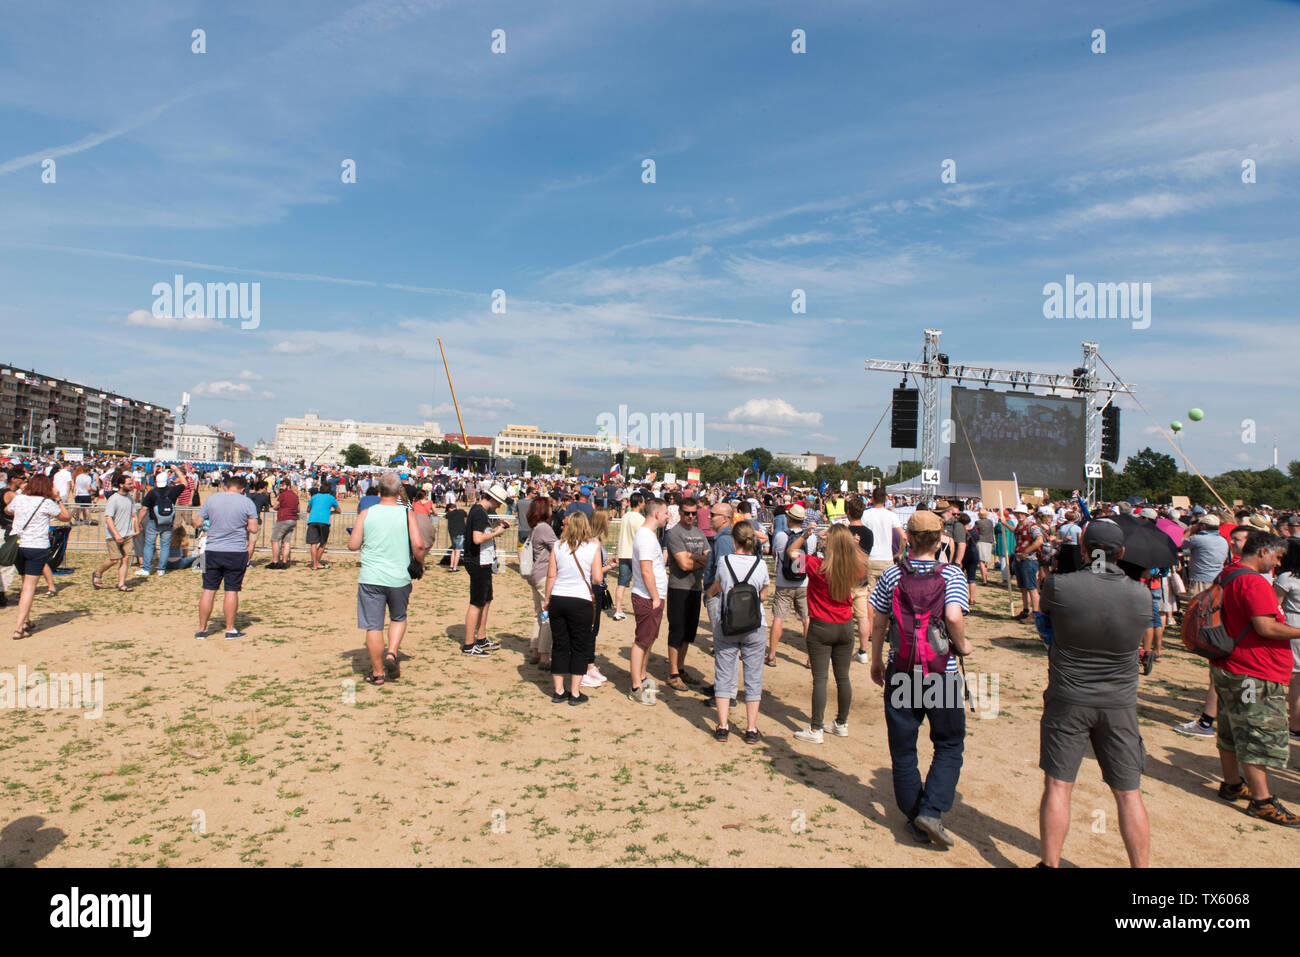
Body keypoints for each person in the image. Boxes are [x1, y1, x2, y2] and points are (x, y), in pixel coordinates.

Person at [1036, 518, 1152, 867]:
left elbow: (1045, 619)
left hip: (1069, 698)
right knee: (1129, 794)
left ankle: (1050, 863)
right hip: (1119, 701)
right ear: (1123, 553)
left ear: (1084, 549)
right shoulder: (1142, 593)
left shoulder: (1059, 586)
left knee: (1058, 786)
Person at [868, 510, 971, 847]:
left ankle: (916, 816)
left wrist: (875, 661)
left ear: (908, 538)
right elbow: (954, 615)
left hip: (901, 667)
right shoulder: (952, 575)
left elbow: (879, 622)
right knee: (948, 743)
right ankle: (931, 809)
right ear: (941, 538)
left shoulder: (892, 575)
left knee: (903, 748)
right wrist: (963, 644)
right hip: (941, 672)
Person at [1212, 530, 1300, 825]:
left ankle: (1232, 784)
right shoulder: (1253, 582)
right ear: (1263, 552)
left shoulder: (1229, 573)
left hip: (1230, 665)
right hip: (1253, 671)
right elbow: (1266, 628)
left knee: (1229, 731)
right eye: (1276, 557)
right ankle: (1261, 801)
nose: (1277, 564)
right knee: (1254, 735)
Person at [347, 472, 427, 686]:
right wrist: (420, 562)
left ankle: (377, 672)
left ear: (379, 490)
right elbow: (419, 545)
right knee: (398, 617)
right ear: (398, 491)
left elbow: (353, 545)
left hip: (371, 576)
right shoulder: (406, 513)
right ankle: (391, 652)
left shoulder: (366, 512)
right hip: (399, 577)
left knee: (373, 626)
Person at [791, 524, 866, 744]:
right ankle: (841, 723)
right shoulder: (855, 567)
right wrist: (852, 547)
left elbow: (791, 554)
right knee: (843, 677)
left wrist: (806, 536)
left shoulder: (817, 565)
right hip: (844, 625)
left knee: (821, 679)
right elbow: (862, 563)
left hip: (821, 625)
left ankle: (816, 729)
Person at [705, 521, 770, 742]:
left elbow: (719, 585)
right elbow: (763, 595)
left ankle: (723, 725)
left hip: (728, 623)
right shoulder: (760, 565)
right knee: (753, 676)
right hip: (754, 623)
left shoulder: (724, 562)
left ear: (734, 540)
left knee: (723, 672)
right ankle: (751, 728)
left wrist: (710, 594)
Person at [542, 511, 603, 705]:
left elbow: (551, 575)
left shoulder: (558, 546)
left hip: (559, 597)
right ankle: (575, 692)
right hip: (580, 599)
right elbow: (597, 578)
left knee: (560, 644)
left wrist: (547, 598)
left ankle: (559, 690)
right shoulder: (593, 547)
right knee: (579, 645)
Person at [6, 472, 70, 639]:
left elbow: (7, 510)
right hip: (37, 546)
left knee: (24, 584)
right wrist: (58, 499)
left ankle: (26, 620)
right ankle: (19, 628)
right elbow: (65, 517)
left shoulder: (19, 499)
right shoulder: (46, 503)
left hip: (18, 545)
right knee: (29, 588)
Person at [196, 475, 259, 640]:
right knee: (231, 590)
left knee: (208, 590)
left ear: (226, 486)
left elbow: (197, 522)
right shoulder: (247, 503)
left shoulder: (212, 499)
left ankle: (202, 629)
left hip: (212, 549)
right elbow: (253, 529)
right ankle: (230, 629)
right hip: (236, 551)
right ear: (242, 489)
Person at [662, 496, 709, 690]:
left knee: (689, 633)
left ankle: (681, 669)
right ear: (680, 513)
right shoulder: (674, 534)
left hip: (695, 588)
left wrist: (692, 558)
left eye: (693, 513)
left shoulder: (699, 533)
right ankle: (673, 673)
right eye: (687, 513)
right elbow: (682, 564)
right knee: (677, 631)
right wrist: (697, 560)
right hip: (678, 588)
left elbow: (709, 558)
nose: (690, 516)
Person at [461, 484, 510, 656]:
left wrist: (494, 524)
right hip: (478, 561)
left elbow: (481, 530)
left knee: (486, 599)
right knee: (476, 603)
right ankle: (468, 644)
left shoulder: (479, 511)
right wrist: (496, 533)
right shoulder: (480, 512)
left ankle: (481, 637)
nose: (499, 506)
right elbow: (477, 538)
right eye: (499, 503)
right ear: (494, 499)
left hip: (484, 561)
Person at [628, 498, 669, 704]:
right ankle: (636, 685)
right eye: (666, 512)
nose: (668, 516)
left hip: (653, 595)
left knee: (649, 639)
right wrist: (654, 597)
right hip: (647, 596)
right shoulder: (645, 536)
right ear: (656, 514)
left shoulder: (649, 535)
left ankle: (642, 676)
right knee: (642, 641)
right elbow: (646, 570)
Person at [769, 504, 817, 667]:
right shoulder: (812, 538)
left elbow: (775, 554)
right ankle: (811, 657)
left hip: (784, 582)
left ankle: (772, 655)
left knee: (778, 618)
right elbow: (810, 556)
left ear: (789, 518)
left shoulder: (781, 536)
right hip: (804, 582)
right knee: (806, 620)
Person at [1273, 539, 1300, 741]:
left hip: (1292, 628)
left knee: (1295, 679)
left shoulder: (1287, 578)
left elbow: (1275, 605)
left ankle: (1295, 725)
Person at [136, 467, 184, 578]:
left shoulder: (152, 493)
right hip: (168, 522)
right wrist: (177, 470)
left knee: (149, 545)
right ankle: (161, 569)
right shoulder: (172, 490)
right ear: (167, 481)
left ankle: (146, 568)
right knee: (165, 546)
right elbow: (184, 483)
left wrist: (138, 521)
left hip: (154, 522)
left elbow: (143, 509)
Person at [92, 474, 137, 592]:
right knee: (114, 559)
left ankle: (121, 584)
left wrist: (137, 529)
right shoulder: (114, 499)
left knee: (125, 558)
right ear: (121, 485)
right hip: (113, 535)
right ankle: (98, 573)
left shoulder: (130, 499)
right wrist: (116, 534)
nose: (132, 485)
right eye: (129, 483)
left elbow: (134, 515)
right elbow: (108, 518)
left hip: (127, 534)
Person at [526, 497, 556, 668]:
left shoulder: (536, 527)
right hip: (544, 575)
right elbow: (557, 548)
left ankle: (536, 650)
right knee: (547, 615)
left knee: (538, 613)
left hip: (536, 575)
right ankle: (545, 656)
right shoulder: (544, 528)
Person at [613, 492, 645, 621]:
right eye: (643, 501)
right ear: (639, 503)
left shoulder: (625, 516)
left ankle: (618, 610)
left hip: (623, 552)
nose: (644, 503)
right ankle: (640, 610)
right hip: (635, 554)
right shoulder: (641, 519)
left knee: (621, 583)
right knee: (639, 584)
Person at [1011, 504, 1044, 619]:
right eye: (1017, 513)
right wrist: (1005, 523)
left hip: (1029, 560)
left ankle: (1035, 613)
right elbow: (1014, 532)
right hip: (1019, 559)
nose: (1019, 515)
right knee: (1023, 587)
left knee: (1032, 587)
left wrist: (1026, 552)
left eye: (1021, 513)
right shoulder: (1019, 527)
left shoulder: (1032, 527)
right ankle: (1026, 610)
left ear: (1025, 515)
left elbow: (1039, 541)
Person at [306, 485, 341, 570]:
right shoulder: (331, 498)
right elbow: (339, 510)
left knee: (313, 544)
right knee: (323, 543)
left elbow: (308, 509)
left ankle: (314, 564)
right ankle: (317, 562)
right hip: (324, 521)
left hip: (312, 520)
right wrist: (330, 512)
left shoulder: (314, 497)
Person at [268, 482, 300, 569]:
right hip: (293, 519)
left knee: (274, 540)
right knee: (287, 541)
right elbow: (298, 509)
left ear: (288, 486)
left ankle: (275, 562)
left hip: (283, 518)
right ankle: (284, 562)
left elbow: (275, 506)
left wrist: (280, 507)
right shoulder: (295, 496)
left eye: (282, 485)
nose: (281, 487)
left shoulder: (283, 495)